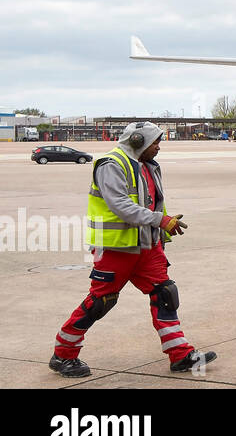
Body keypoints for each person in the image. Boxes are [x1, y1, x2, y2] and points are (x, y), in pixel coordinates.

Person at [50, 122, 217, 377]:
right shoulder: (111, 165)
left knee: (165, 294)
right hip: (116, 248)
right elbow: (120, 205)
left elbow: (148, 203)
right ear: (138, 141)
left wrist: (162, 226)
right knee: (99, 302)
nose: (159, 147)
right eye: (155, 143)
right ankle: (63, 354)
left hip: (146, 246)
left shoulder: (147, 166)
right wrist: (160, 220)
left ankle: (180, 354)